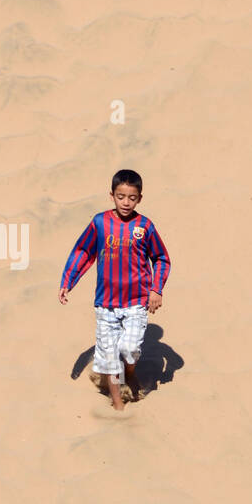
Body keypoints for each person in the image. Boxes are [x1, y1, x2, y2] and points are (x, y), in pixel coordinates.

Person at [58, 169, 171, 410]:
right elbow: (83, 252)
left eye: (132, 197)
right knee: (110, 359)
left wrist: (156, 289)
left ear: (140, 198)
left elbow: (161, 258)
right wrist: (68, 282)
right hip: (106, 304)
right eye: (121, 197)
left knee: (129, 349)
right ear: (111, 195)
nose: (126, 202)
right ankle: (118, 404)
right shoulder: (100, 222)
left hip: (136, 303)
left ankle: (130, 371)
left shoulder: (144, 226)